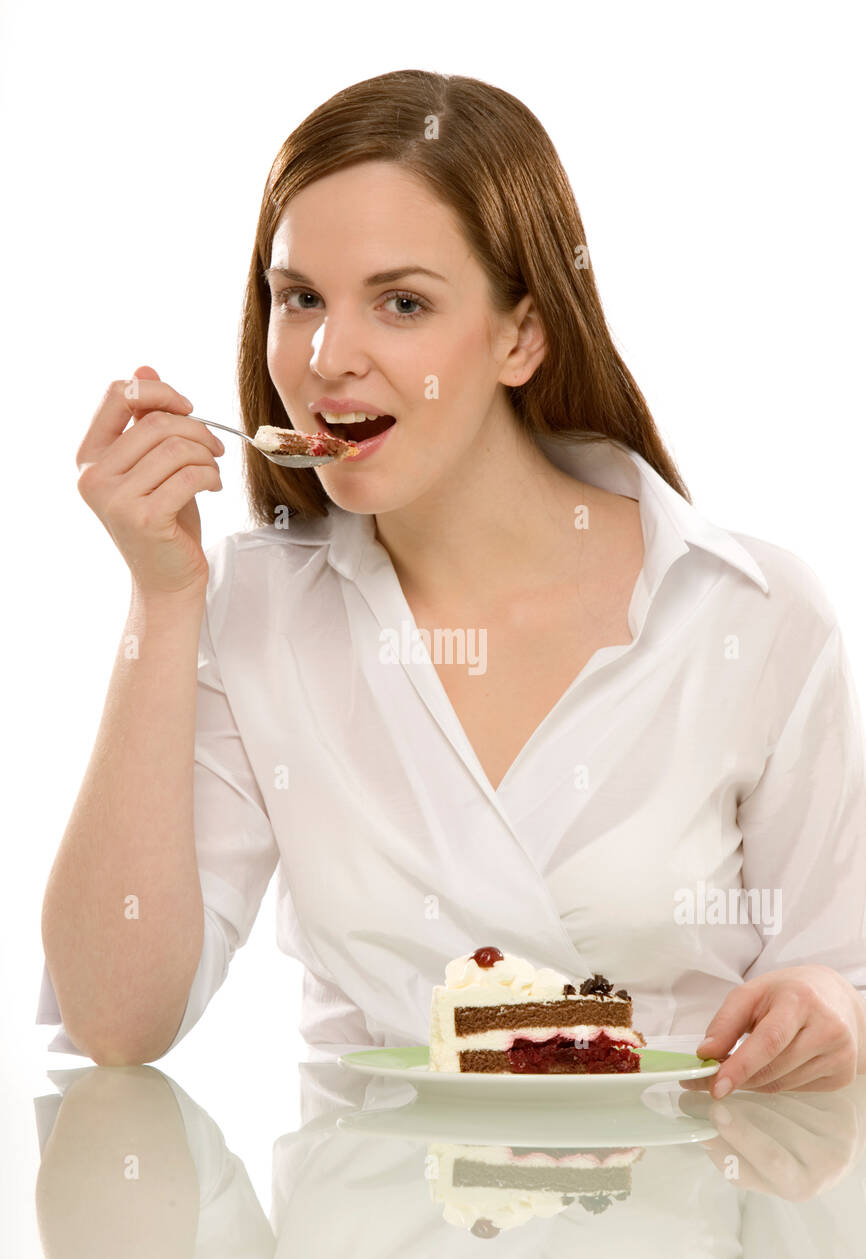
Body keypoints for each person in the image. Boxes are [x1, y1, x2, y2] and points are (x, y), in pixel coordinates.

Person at [37, 70, 866, 1096]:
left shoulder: (751, 615)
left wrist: (829, 1008)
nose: (328, 357)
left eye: (401, 302)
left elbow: (841, 977)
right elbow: (116, 1022)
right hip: (366, 1241)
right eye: (299, 299)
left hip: (669, 1236)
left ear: (522, 334)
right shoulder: (246, 612)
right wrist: (160, 599)